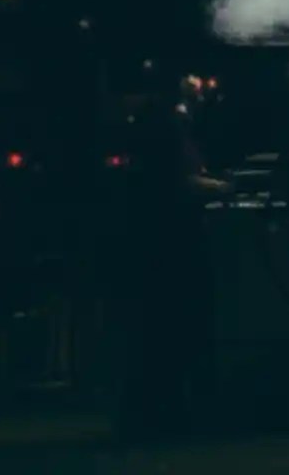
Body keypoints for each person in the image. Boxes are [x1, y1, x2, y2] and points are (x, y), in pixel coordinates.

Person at [115, 73, 227, 443]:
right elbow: (182, 182)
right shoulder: (167, 135)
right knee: (179, 331)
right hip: (176, 244)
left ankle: (156, 414)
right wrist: (221, 187)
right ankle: (177, 414)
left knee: (156, 336)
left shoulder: (151, 136)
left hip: (152, 247)